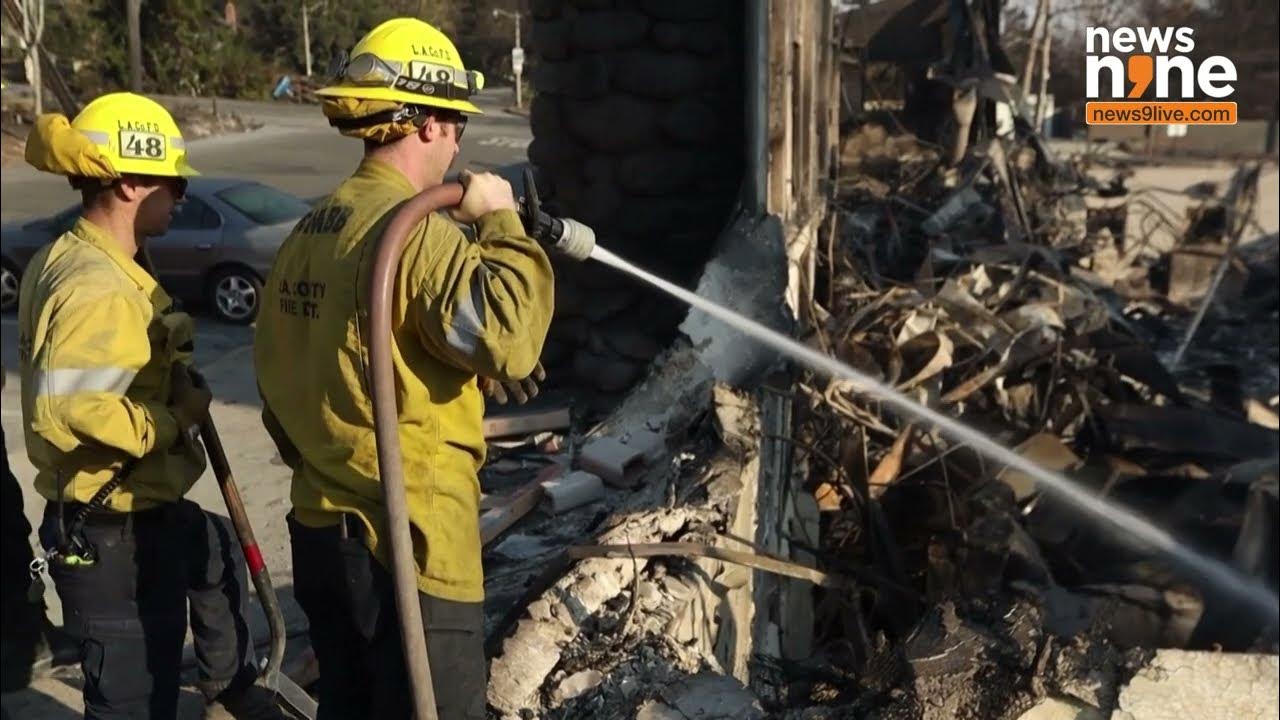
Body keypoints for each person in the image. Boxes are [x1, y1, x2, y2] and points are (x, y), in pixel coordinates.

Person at [253, 17, 554, 720]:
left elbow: (283, 387)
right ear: (424, 124)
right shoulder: (417, 232)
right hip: (411, 543)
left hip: (323, 541)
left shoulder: (309, 233)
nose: (458, 142)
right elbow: (512, 339)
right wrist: (501, 223)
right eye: (456, 124)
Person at [17, 92, 282, 720]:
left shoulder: (78, 256)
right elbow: (69, 411)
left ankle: (229, 685)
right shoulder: (98, 287)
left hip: (139, 512)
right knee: (136, 696)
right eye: (174, 185)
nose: (181, 197)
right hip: (112, 531)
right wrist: (175, 419)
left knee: (213, 549)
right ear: (133, 183)